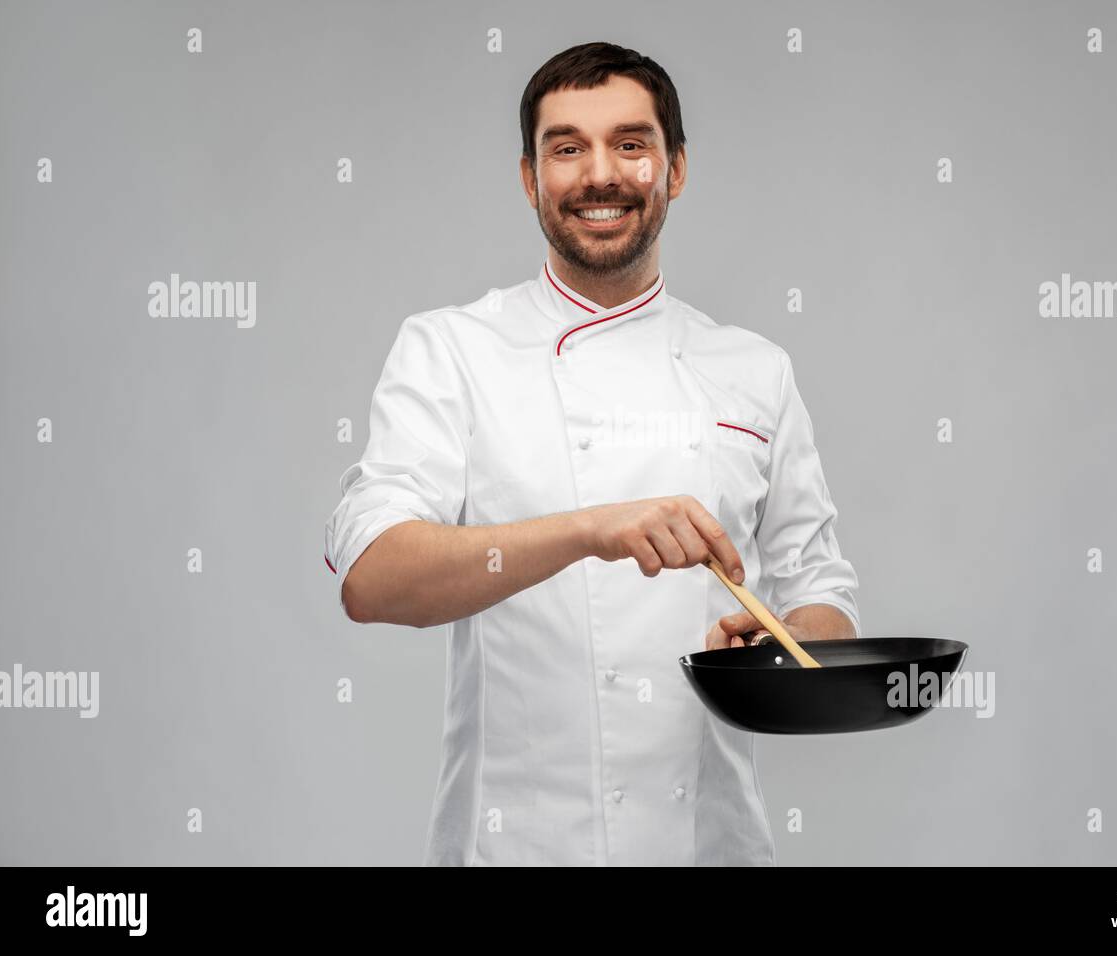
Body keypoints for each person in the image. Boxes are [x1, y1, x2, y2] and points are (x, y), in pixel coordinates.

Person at [324, 41, 860, 866]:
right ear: (531, 178)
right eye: (566, 148)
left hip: (707, 845)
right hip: (515, 847)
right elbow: (372, 577)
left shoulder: (754, 370)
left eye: (631, 144)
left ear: (674, 170)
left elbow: (820, 591)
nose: (599, 174)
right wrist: (591, 530)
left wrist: (777, 648)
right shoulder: (452, 351)